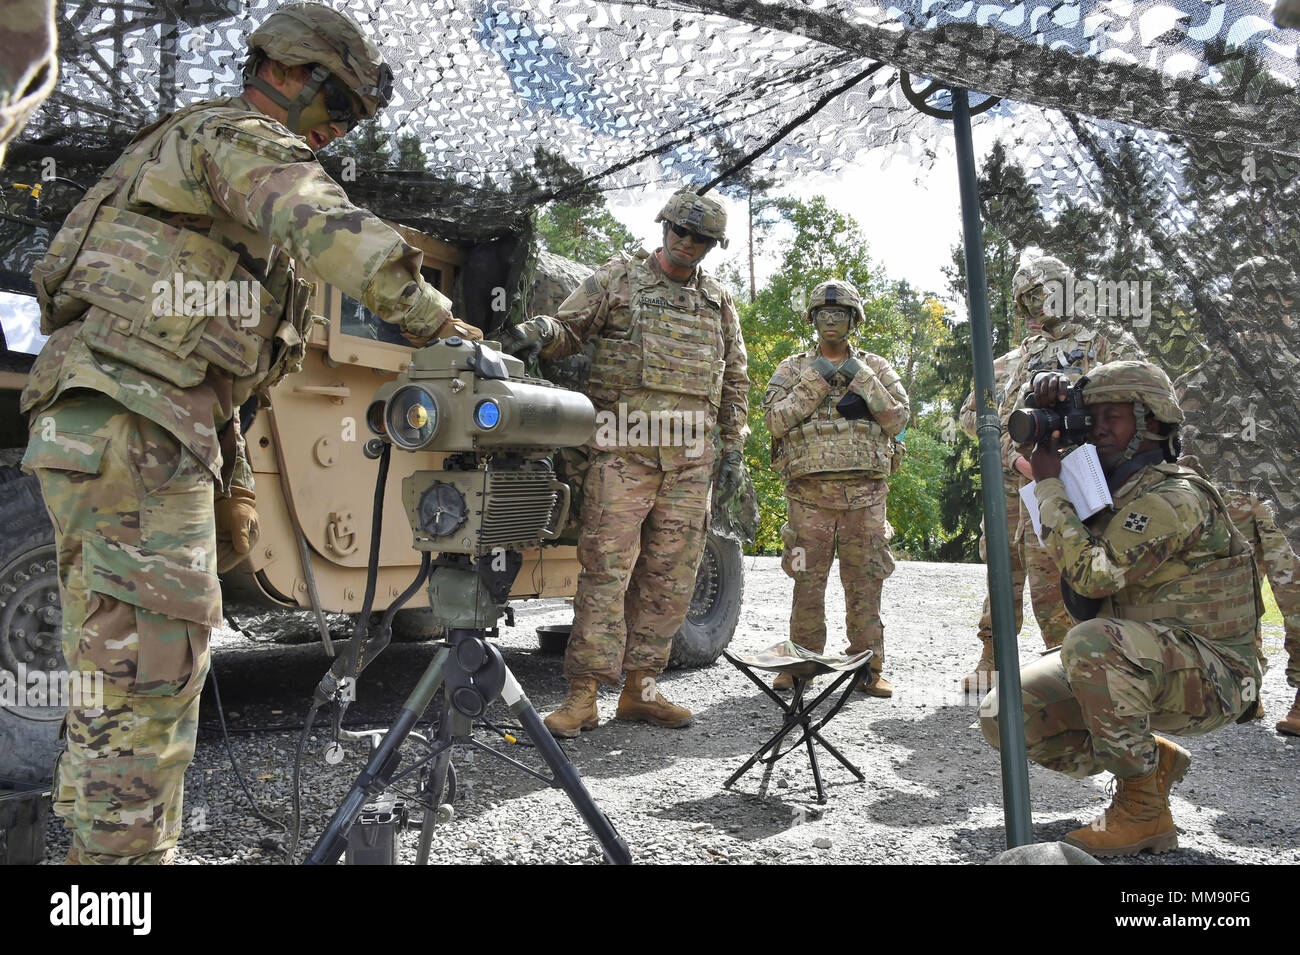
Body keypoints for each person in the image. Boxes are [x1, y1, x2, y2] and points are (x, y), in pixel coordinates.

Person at [19, 2, 478, 864]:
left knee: (114, 670)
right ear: (295, 74)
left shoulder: (179, 150)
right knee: (149, 674)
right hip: (138, 422)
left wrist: (225, 473)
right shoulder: (241, 138)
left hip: (114, 422)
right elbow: (328, 226)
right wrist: (435, 322)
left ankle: (96, 859)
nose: (337, 132)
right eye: (337, 107)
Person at [979, 361, 1263, 858]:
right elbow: (1070, 568)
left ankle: (1143, 809)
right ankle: (1147, 763)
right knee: (1005, 710)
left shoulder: (1174, 497)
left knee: (1091, 642)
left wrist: (1050, 486)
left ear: (1152, 423)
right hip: (1148, 663)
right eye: (1092, 418)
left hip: (1219, 675)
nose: (1099, 429)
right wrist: (1049, 425)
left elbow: (1091, 576)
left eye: (1113, 416)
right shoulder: (1107, 491)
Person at [505, 186, 749, 737]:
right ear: (664, 227)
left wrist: (732, 447)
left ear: (713, 245)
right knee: (606, 570)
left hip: (690, 460)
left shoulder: (718, 302)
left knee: (671, 576)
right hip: (623, 450)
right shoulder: (619, 278)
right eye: (680, 231)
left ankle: (641, 689)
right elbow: (569, 331)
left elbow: (734, 377)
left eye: (701, 238)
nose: (687, 244)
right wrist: (540, 333)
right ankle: (583, 694)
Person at [962, 254, 1147, 691]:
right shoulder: (1017, 358)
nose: (1038, 304)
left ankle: (1076, 676)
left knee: (1067, 577)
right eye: (1027, 298)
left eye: (1044, 292)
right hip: (1021, 481)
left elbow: (1141, 395)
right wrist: (1015, 459)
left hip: (1079, 483)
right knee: (1006, 573)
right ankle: (998, 659)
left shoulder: (1104, 342)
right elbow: (985, 418)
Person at [762, 280, 908, 696]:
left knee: (865, 581)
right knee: (807, 580)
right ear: (813, 320)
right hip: (809, 498)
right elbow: (775, 422)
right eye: (824, 315)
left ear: (853, 320)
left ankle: (867, 666)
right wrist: (818, 380)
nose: (831, 322)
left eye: (840, 314)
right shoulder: (793, 369)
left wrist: (860, 379)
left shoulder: (876, 367)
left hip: (865, 495)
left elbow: (898, 421)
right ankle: (800, 663)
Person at [1220, 488, 1300, 736]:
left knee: (1295, 595)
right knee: (1232, 599)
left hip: (1290, 486)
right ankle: (1247, 692)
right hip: (1229, 486)